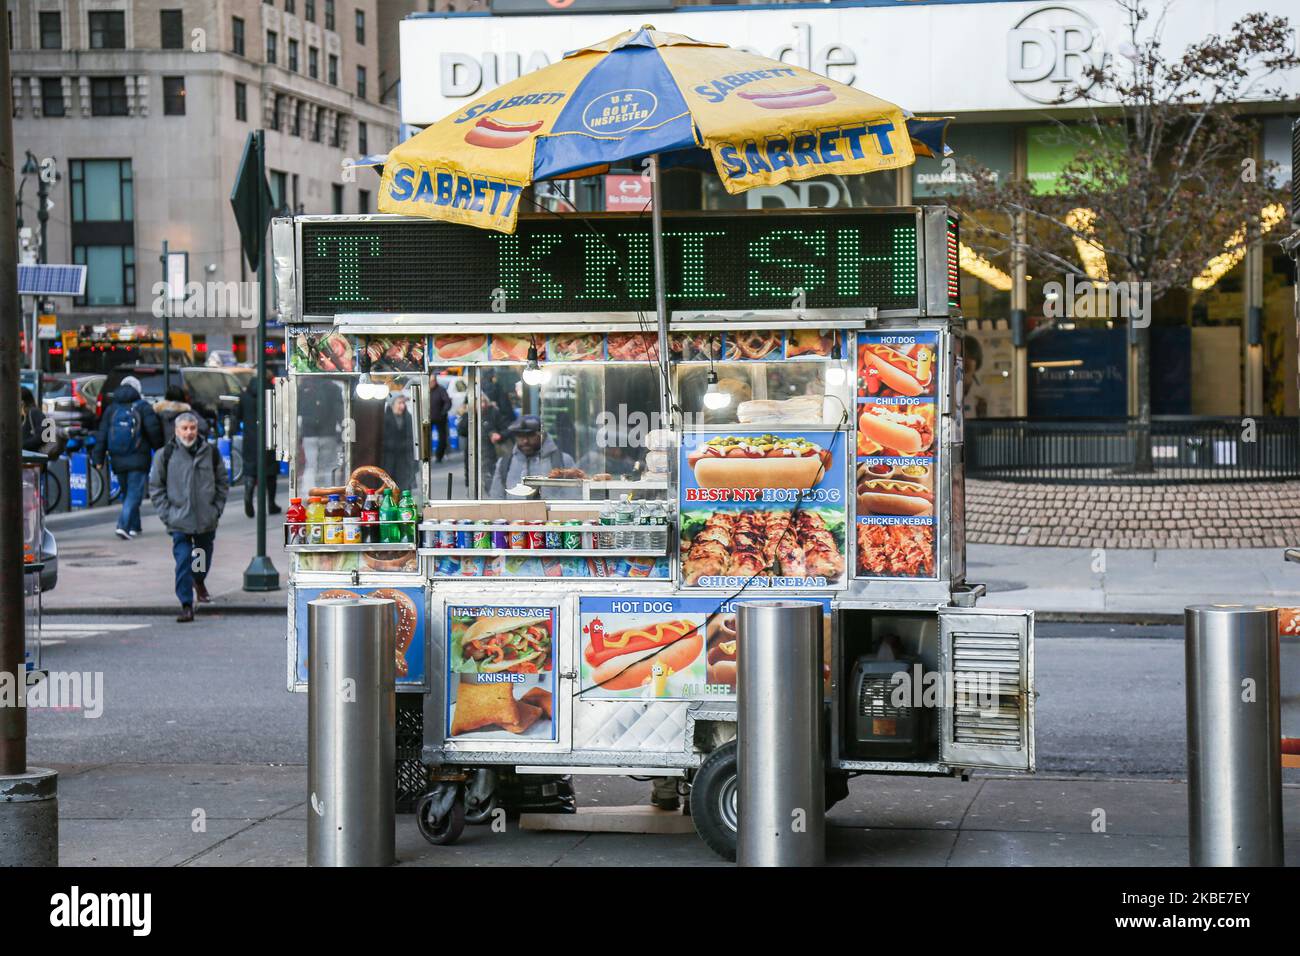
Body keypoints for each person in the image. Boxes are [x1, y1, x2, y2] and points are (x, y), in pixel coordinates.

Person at [149, 412, 227, 623]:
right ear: (176, 431)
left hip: (204, 520)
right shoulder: (165, 454)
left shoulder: (210, 452)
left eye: (192, 428)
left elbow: (222, 482)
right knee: (183, 560)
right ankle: (186, 604)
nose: (189, 432)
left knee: (201, 558)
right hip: (179, 521)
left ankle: (198, 581)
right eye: (184, 428)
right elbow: (156, 488)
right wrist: (167, 514)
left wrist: (216, 509)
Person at [94, 374, 164, 540]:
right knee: (134, 493)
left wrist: (98, 458)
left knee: (128, 492)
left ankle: (135, 526)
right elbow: (153, 431)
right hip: (139, 457)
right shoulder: (143, 407)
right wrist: (160, 450)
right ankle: (123, 525)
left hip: (117, 457)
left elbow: (102, 434)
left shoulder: (112, 409)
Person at [488, 415, 579, 499]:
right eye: (520, 436)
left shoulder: (563, 460)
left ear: (542, 435)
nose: (525, 441)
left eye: (530, 435)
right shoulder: (504, 463)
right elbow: (496, 498)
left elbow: (573, 498)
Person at [234, 367, 280, 517]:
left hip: (251, 438)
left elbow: (238, 415)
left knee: (250, 469)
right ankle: (271, 504)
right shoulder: (272, 392)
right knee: (270, 472)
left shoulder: (245, 395)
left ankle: (248, 497)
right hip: (269, 437)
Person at [382, 392, 417, 493]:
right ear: (392, 404)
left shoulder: (408, 417)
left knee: (404, 488)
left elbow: (412, 437)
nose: (402, 406)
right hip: (389, 460)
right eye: (400, 403)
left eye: (404, 403)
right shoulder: (385, 418)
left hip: (404, 459)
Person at [20, 387, 57, 456]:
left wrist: (21, 445)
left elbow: (42, 436)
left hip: (36, 456)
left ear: (22, 402)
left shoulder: (34, 412)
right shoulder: (21, 416)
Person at [430, 376, 453, 464]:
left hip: (440, 417)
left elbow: (448, 402)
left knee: (442, 438)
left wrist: (443, 412)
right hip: (428, 418)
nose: (432, 383)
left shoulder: (441, 390)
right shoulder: (425, 389)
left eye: (434, 381)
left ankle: (439, 456)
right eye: (431, 381)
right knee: (425, 438)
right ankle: (427, 456)